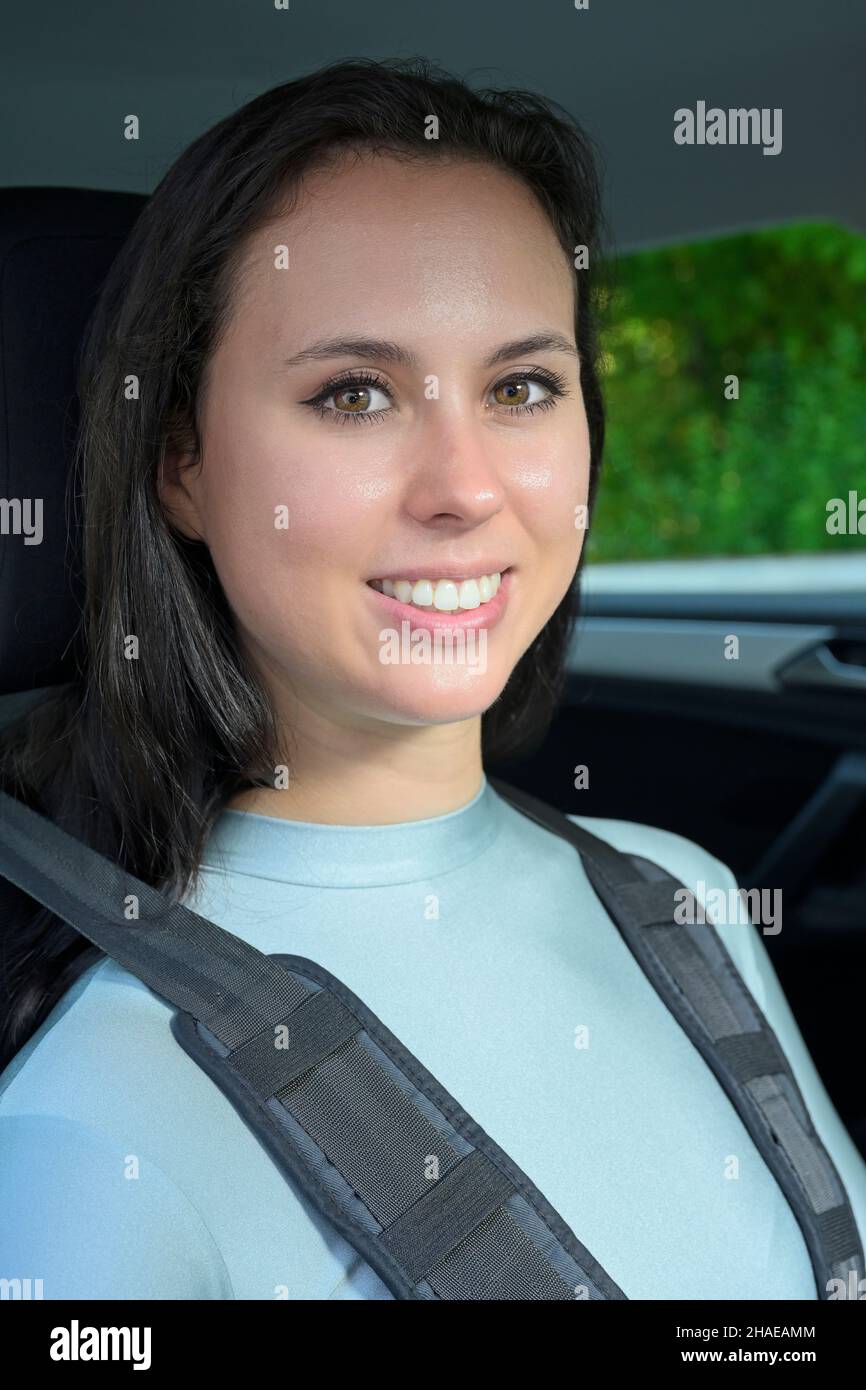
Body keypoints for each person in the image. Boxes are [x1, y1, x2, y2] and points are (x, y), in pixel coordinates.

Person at [1, 56, 864, 1301]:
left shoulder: (684, 893)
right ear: (180, 462)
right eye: (354, 394)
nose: (464, 486)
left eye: (520, 387)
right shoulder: (105, 1132)